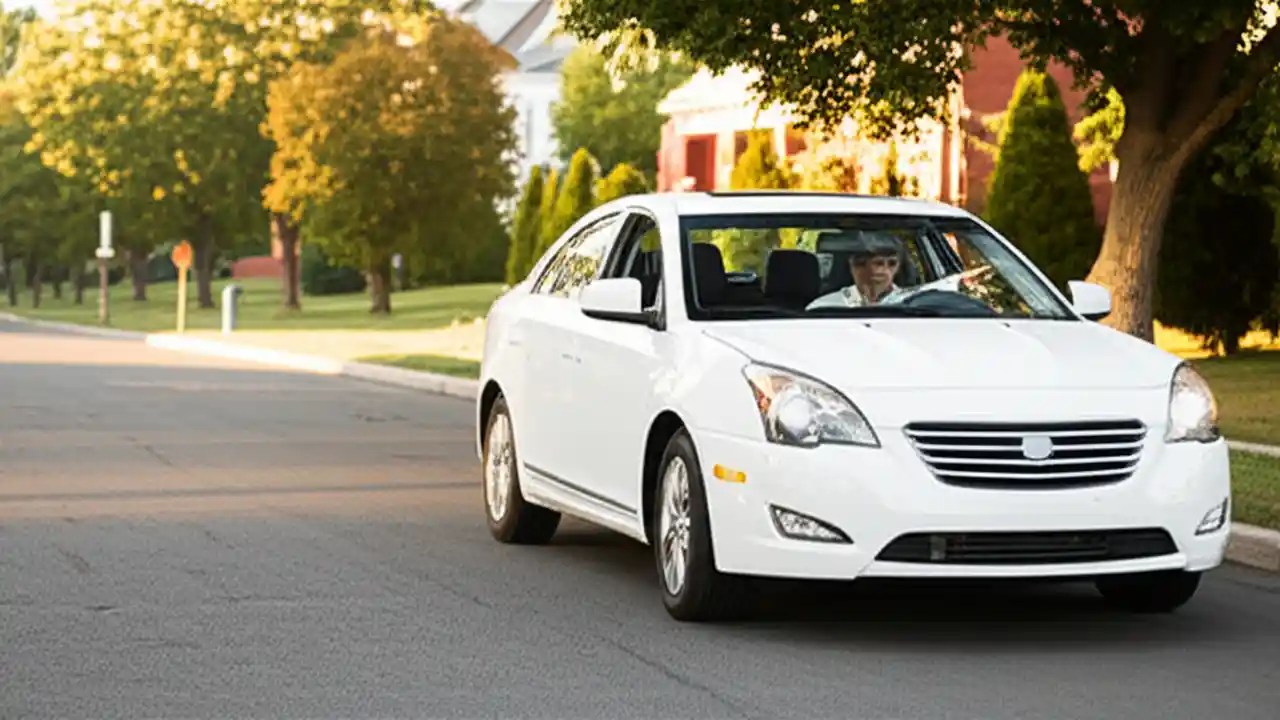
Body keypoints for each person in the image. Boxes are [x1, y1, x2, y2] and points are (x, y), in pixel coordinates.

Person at [806, 232, 911, 308]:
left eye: (892, 263)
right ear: (855, 265)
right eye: (878, 263)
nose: (885, 270)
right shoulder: (824, 307)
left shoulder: (913, 305)